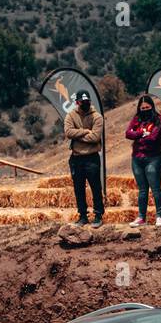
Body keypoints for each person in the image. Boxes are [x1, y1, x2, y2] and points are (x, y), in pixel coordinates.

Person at [64, 90, 104, 227]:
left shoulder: (97, 117)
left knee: (96, 187)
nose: (85, 104)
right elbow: (68, 132)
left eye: (87, 102)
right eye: (82, 102)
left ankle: (98, 215)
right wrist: (86, 131)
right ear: (77, 102)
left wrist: (78, 135)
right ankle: (82, 216)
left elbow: (95, 137)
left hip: (92, 157)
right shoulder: (71, 115)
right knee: (78, 188)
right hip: (76, 157)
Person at [126, 95, 161, 227]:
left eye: (147, 107)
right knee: (142, 190)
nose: (145, 110)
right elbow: (128, 133)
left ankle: (159, 216)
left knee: (155, 188)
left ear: (152, 107)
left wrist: (137, 135)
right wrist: (141, 134)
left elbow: (154, 137)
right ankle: (141, 217)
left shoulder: (159, 119)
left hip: (153, 158)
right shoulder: (137, 118)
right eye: (142, 108)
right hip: (137, 158)